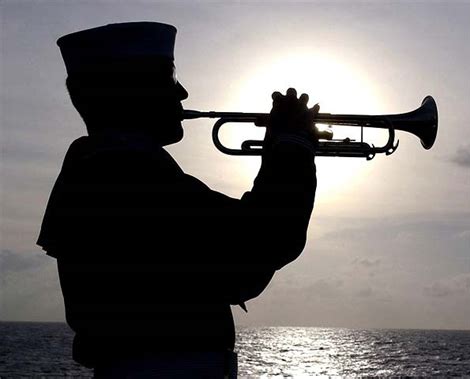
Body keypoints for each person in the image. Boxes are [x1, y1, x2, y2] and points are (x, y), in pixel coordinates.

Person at [37, 22, 318, 378]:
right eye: (169, 80)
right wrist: (293, 148)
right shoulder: (123, 174)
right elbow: (261, 244)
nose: (183, 93)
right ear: (134, 91)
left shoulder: (106, 168)